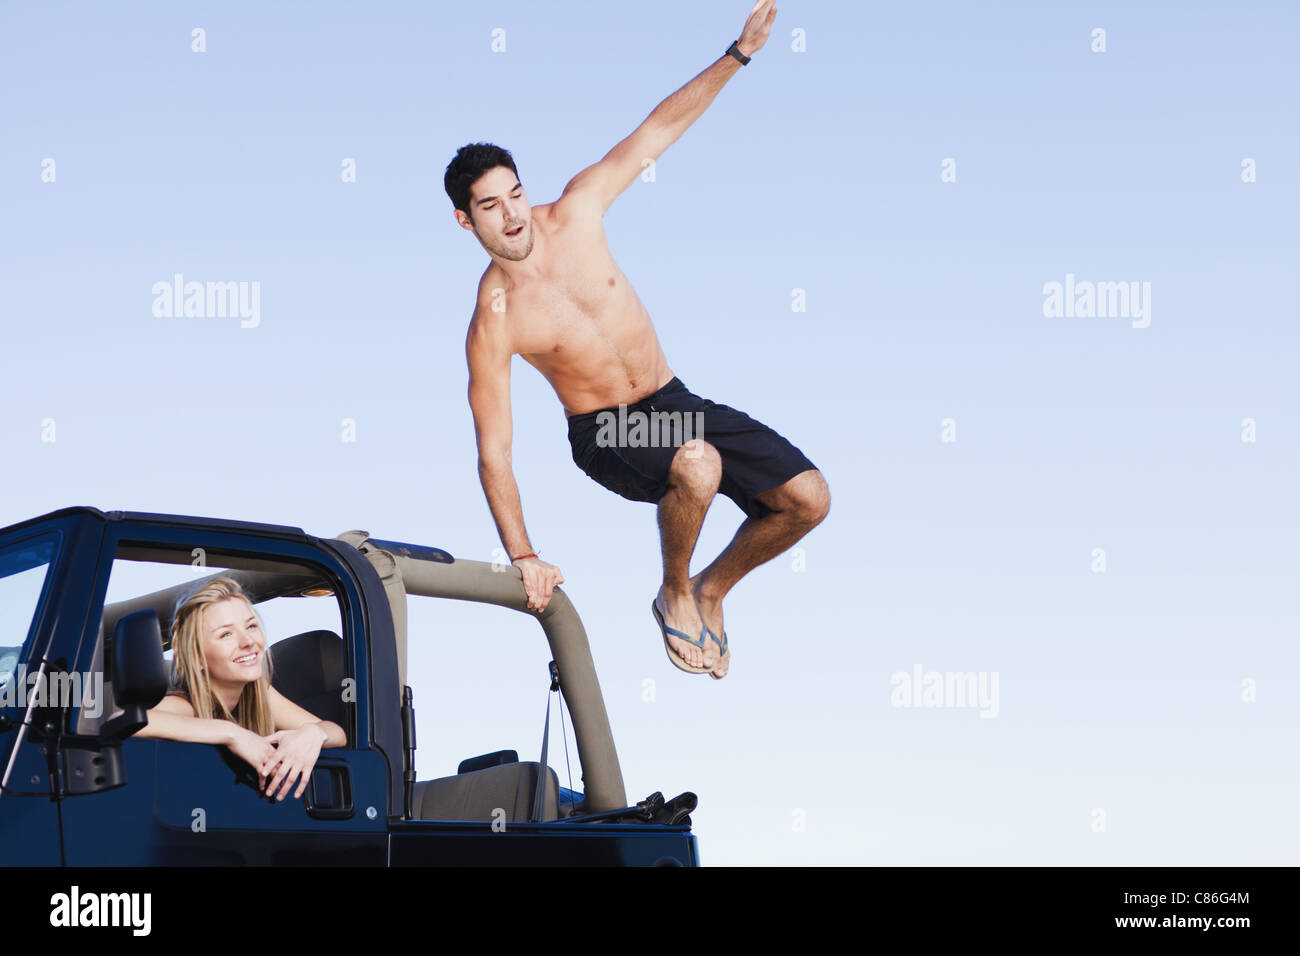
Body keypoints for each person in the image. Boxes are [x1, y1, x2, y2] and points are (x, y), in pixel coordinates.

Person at [449, 0, 829, 680]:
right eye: (489, 206)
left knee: (807, 500)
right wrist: (525, 556)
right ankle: (675, 593)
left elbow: (660, 129)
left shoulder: (579, 209)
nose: (510, 214)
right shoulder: (495, 317)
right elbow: (495, 453)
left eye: (513, 194)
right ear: (464, 220)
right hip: (605, 430)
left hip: (673, 401)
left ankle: (713, 587)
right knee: (699, 465)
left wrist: (737, 55)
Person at [134, 577, 346, 800]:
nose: (248, 641)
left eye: (251, 626)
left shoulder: (260, 693)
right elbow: (129, 723)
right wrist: (232, 734)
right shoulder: (184, 704)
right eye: (226, 634)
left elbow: (338, 735)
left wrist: (312, 733)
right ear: (197, 657)